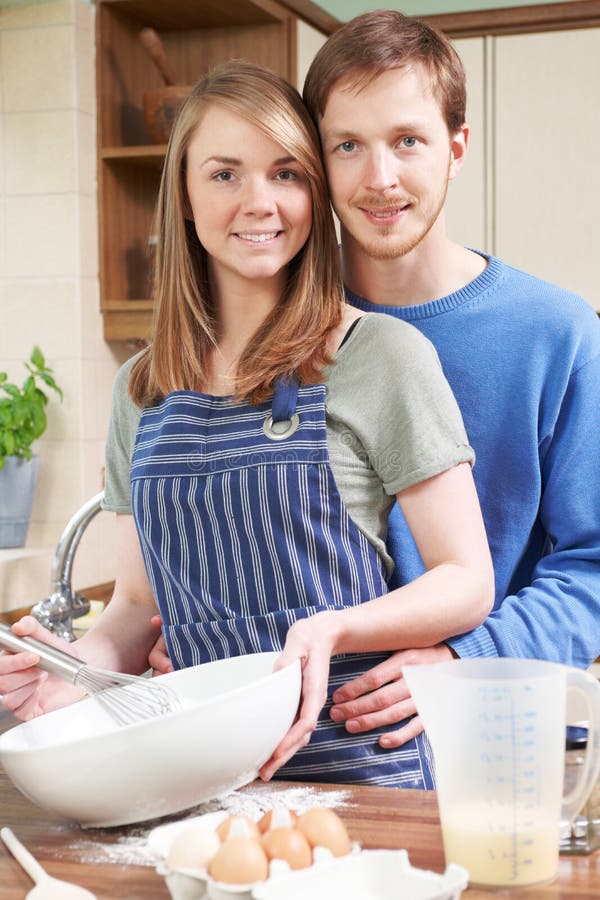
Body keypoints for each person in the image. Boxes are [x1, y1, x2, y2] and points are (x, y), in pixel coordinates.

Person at [0, 61, 493, 788]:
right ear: (187, 197)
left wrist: (335, 627)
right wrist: (67, 681)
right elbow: (136, 609)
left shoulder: (379, 355)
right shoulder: (142, 390)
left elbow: (467, 578)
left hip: (362, 763)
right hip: (198, 777)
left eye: (286, 173)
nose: (259, 202)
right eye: (225, 174)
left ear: (314, 193)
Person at [298, 10, 600, 749]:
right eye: (348, 145)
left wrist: (466, 660)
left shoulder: (560, 333)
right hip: (309, 736)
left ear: (455, 148)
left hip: (500, 735)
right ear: (317, 160)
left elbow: (593, 564)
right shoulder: (279, 335)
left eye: (408, 140)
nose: (380, 178)